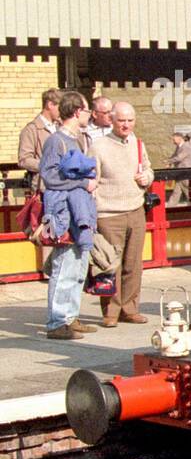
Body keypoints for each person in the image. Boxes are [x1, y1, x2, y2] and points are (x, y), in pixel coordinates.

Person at [39, 92, 98, 340]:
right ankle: (57, 322)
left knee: (77, 267)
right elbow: (50, 177)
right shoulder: (57, 141)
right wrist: (84, 183)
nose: (89, 115)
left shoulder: (77, 139)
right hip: (64, 212)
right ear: (76, 112)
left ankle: (70, 316)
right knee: (64, 267)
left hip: (79, 211)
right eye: (86, 111)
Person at [92, 102, 153, 326]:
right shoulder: (98, 146)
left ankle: (130, 308)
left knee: (133, 264)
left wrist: (147, 177)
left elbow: (148, 168)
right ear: (111, 120)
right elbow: (91, 180)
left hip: (135, 209)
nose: (126, 125)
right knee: (110, 265)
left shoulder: (138, 144)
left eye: (130, 120)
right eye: (121, 120)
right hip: (108, 213)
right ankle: (110, 312)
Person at [17, 88, 64, 187]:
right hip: (43, 186)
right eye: (60, 107)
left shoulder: (61, 127)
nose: (62, 111)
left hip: (62, 184)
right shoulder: (32, 129)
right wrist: (49, 165)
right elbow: (24, 160)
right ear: (50, 105)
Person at [165, 130, 191, 205]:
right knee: (178, 190)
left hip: (188, 171)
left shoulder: (187, 145)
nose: (173, 141)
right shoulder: (179, 147)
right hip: (183, 172)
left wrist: (168, 161)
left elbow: (179, 157)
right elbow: (174, 156)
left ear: (179, 138)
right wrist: (169, 161)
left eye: (173, 139)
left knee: (185, 188)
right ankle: (170, 205)